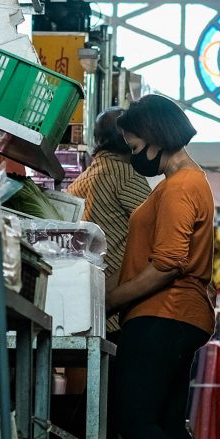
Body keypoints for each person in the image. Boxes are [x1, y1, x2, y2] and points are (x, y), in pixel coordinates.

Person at [108, 94, 216, 439]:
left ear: (155, 137)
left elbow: (167, 263)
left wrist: (109, 299)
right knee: (168, 422)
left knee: (135, 416)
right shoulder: (190, 181)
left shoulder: (178, 186)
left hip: (162, 312)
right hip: (178, 315)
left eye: (134, 145)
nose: (133, 154)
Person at [67, 108, 150, 337]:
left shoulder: (79, 181)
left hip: (86, 301)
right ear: (130, 138)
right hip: (117, 306)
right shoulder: (125, 175)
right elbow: (159, 228)